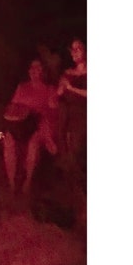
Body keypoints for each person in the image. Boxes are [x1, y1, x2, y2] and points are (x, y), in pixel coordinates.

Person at [0, 58, 59, 197]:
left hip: (38, 125)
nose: (34, 71)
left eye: (38, 68)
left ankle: (27, 182)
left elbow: (52, 112)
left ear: (43, 71)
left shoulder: (49, 89)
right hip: (20, 124)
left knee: (33, 143)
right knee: (8, 141)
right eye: (32, 68)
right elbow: (12, 108)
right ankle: (12, 184)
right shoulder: (22, 87)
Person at [57, 38, 87, 177]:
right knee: (70, 151)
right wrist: (61, 89)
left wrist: (70, 87)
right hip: (69, 115)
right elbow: (59, 93)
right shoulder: (68, 72)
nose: (74, 52)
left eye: (78, 48)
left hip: (84, 113)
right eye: (72, 49)